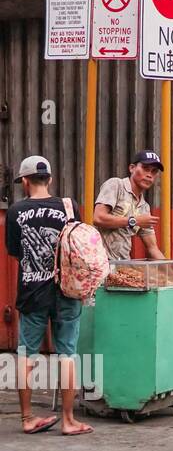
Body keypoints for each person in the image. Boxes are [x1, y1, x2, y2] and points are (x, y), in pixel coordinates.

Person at [4, 156, 93, 436]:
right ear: (50, 179)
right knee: (67, 353)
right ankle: (68, 420)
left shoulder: (16, 211)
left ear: (26, 182)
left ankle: (27, 418)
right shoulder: (69, 206)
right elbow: (78, 245)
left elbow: (14, 251)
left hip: (32, 292)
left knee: (26, 355)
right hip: (66, 289)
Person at [92, 149, 167, 261]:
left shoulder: (144, 207)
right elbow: (98, 218)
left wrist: (171, 274)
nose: (149, 175)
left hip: (122, 265)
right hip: (98, 262)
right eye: (145, 169)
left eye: (154, 171)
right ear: (132, 168)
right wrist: (134, 221)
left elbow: (152, 248)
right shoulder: (116, 185)